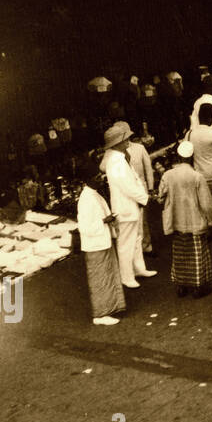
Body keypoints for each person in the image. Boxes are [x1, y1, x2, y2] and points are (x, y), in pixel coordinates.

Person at [101, 122, 156, 289]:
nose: (128, 142)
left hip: (131, 205)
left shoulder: (119, 157)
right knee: (126, 243)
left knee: (137, 238)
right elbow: (127, 185)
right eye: (125, 139)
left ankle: (139, 268)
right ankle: (127, 276)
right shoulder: (115, 161)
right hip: (126, 207)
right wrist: (144, 197)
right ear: (116, 143)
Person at [158, 140, 212, 298]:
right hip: (194, 220)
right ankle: (197, 287)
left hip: (176, 221)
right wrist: (211, 220)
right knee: (197, 254)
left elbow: (161, 196)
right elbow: (206, 203)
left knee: (180, 254)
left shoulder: (168, 175)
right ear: (192, 157)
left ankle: (181, 286)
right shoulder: (197, 177)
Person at [77, 158, 125, 326]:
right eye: (96, 176)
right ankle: (100, 314)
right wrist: (105, 221)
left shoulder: (94, 194)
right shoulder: (85, 199)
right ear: (87, 179)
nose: (100, 178)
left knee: (108, 274)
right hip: (95, 244)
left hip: (102, 240)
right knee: (100, 279)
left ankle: (111, 307)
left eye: (100, 174)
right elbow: (84, 227)